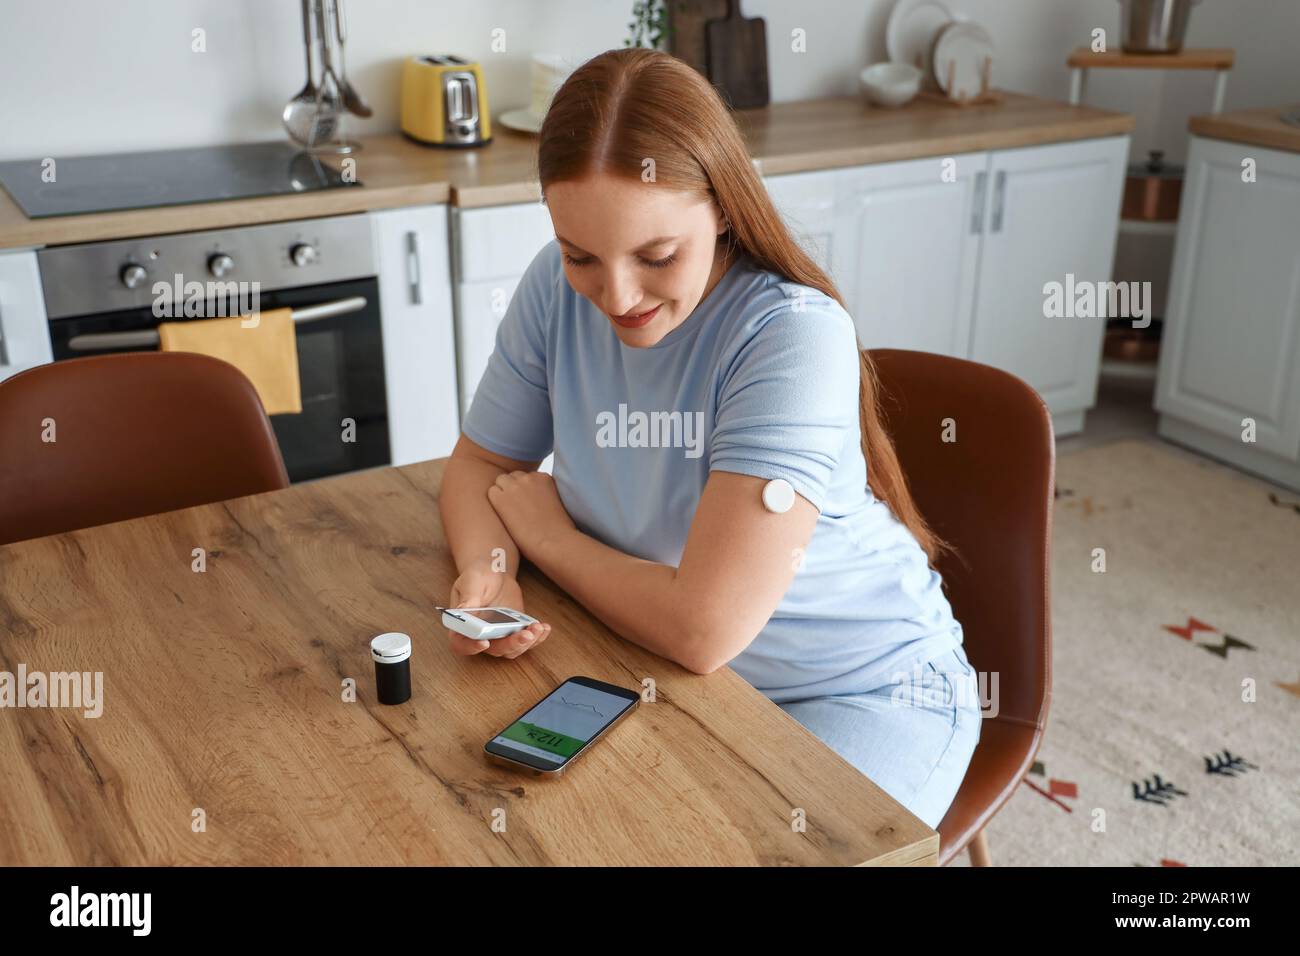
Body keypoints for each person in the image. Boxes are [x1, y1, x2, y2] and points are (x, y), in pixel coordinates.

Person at [438, 48, 980, 829]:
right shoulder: (553, 291)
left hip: (858, 689)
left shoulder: (790, 337)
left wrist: (548, 541)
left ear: (724, 208)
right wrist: (490, 571)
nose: (615, 296)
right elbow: (484, 463)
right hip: (651, 661)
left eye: (656, 256)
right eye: (580, 255)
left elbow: (704, 627)